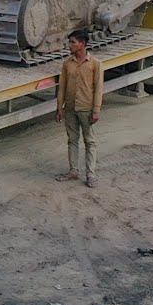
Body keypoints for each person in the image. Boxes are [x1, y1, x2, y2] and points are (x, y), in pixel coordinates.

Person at [55, 29, 104, 187]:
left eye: (73, 42)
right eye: (70, 42)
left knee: (89, 141)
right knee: (72, 140)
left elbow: (98, 88)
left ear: (82, 44)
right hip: (70, 108)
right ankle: (73, 171)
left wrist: (96, 110)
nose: (69, 45)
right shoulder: (67, 64)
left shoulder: (95, 64)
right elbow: (62, 87)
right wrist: (59, 107)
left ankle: (90, 174)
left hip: (86, 108)